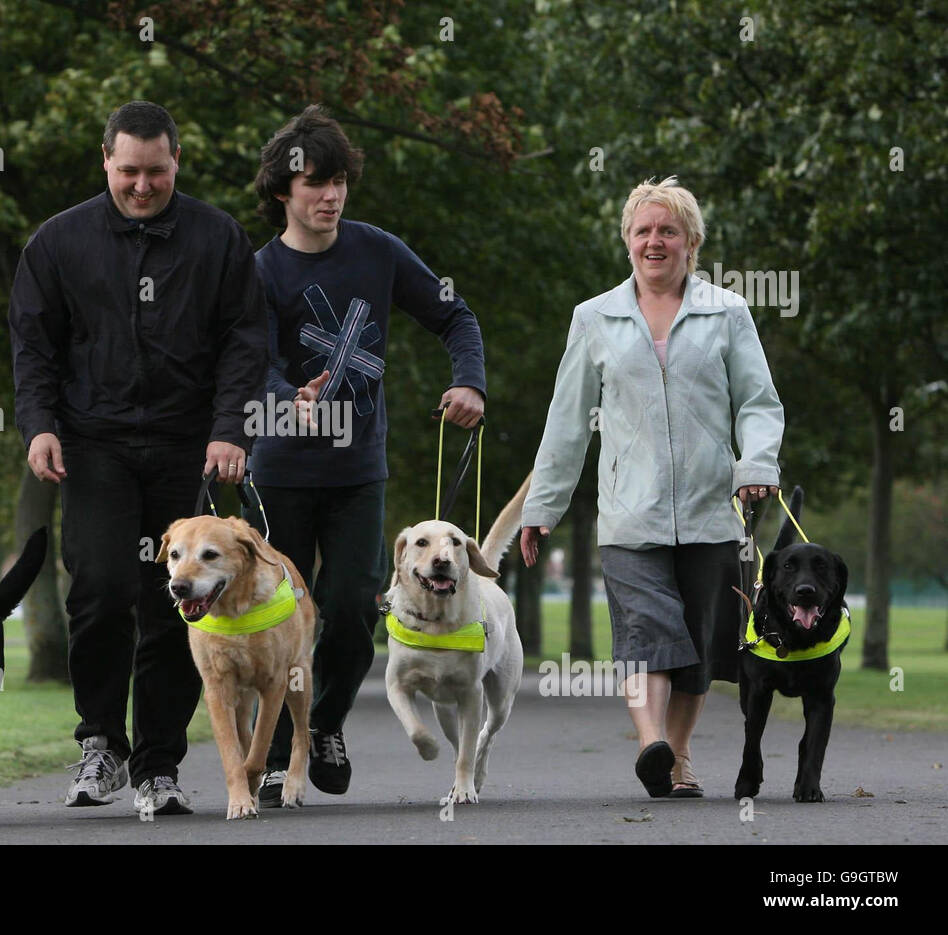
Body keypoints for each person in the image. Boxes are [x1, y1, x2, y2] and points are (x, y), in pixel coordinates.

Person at [10, 101, 267, 816]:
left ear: (176, 162)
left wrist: (229, 429)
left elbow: (246, 340)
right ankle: (101, 743)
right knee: (98, 588)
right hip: (94, 442)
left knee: (182, 600)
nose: (143, 185)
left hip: (191, 444)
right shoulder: (57, 243)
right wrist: (39, 425)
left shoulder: (218, 239)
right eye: (129, 171)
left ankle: (158, 763)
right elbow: (34, 346)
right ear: (106, 161)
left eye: (156, 171)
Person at [246, 106, 486, 805]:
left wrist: (467, 379)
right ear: (283, 193)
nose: (331, 195)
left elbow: (454, 314)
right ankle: (270, 748)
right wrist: (285, 394)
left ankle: (322, 724)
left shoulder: (378, 251)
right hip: (280, 471)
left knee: (351, 604)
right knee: (280, 620)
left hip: (357, 470)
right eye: (315, 183)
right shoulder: (258, 270)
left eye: (340, 181)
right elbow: (247, 361)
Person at [518, 176, 784, 798]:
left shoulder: (728, 312)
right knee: (646, 632)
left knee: (697, 648)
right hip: (628, 518)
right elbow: (565, 423)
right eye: (643, 231)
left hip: (711, 513)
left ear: (692, 242)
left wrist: (757, 466)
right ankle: (650, 744)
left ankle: (680, 756)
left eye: (668, 231)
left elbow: (758, 403)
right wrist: (543, 507)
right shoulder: (595, 318)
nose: (655, 241)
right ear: (627, 242)